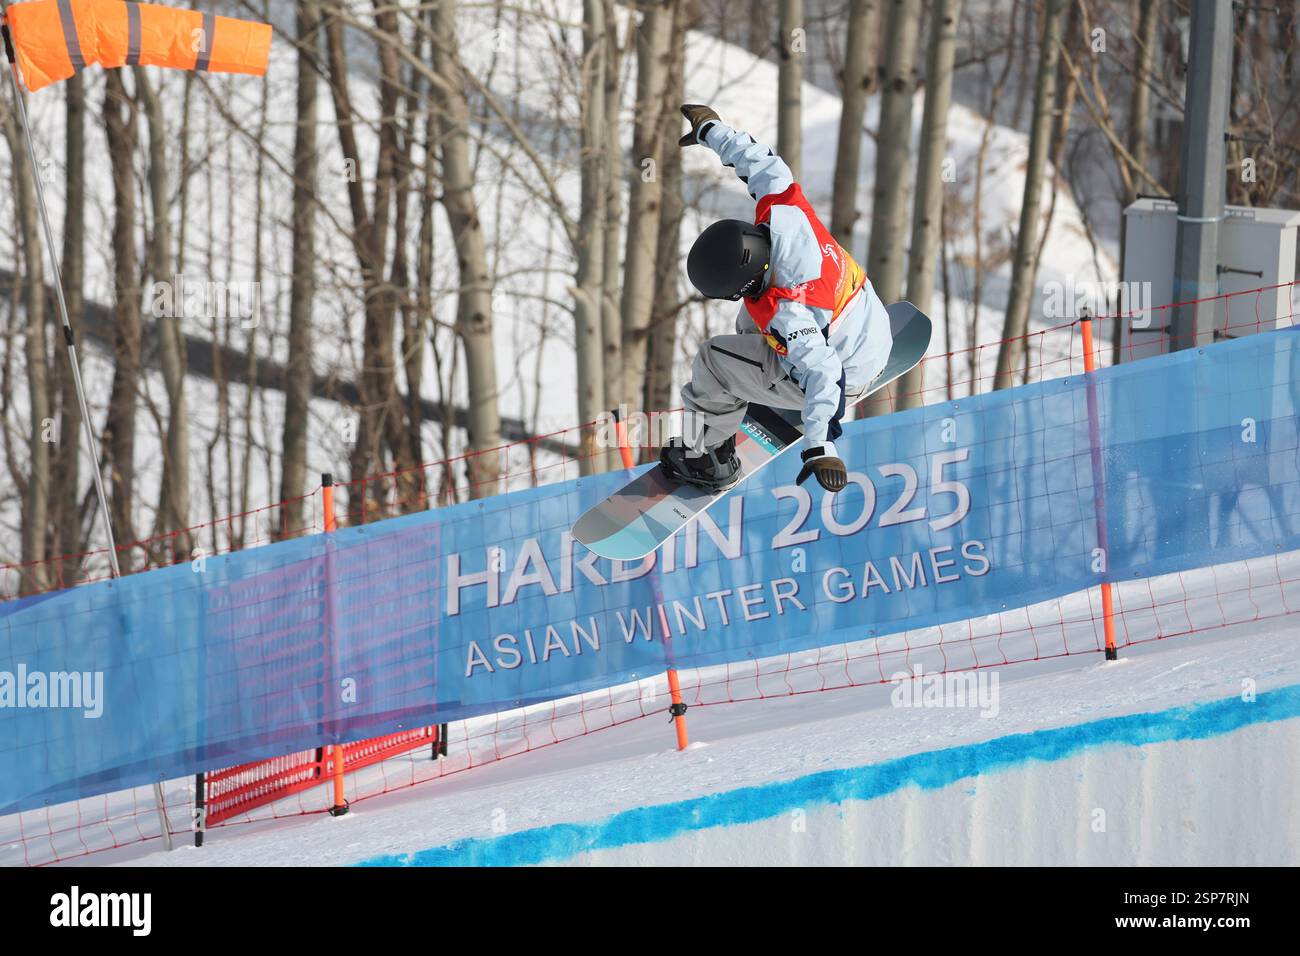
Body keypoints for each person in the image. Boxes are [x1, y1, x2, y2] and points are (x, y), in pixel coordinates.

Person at [661, 104, 893, 495]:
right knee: (748, 328)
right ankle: (754, 386)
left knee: (714, 359)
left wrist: (820, 444)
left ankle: (708, 455)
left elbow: (824, 373)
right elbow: (762, 164)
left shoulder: (789, 311)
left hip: (844, 371)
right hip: (869, 325)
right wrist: (711, 130)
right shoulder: (784, 212)